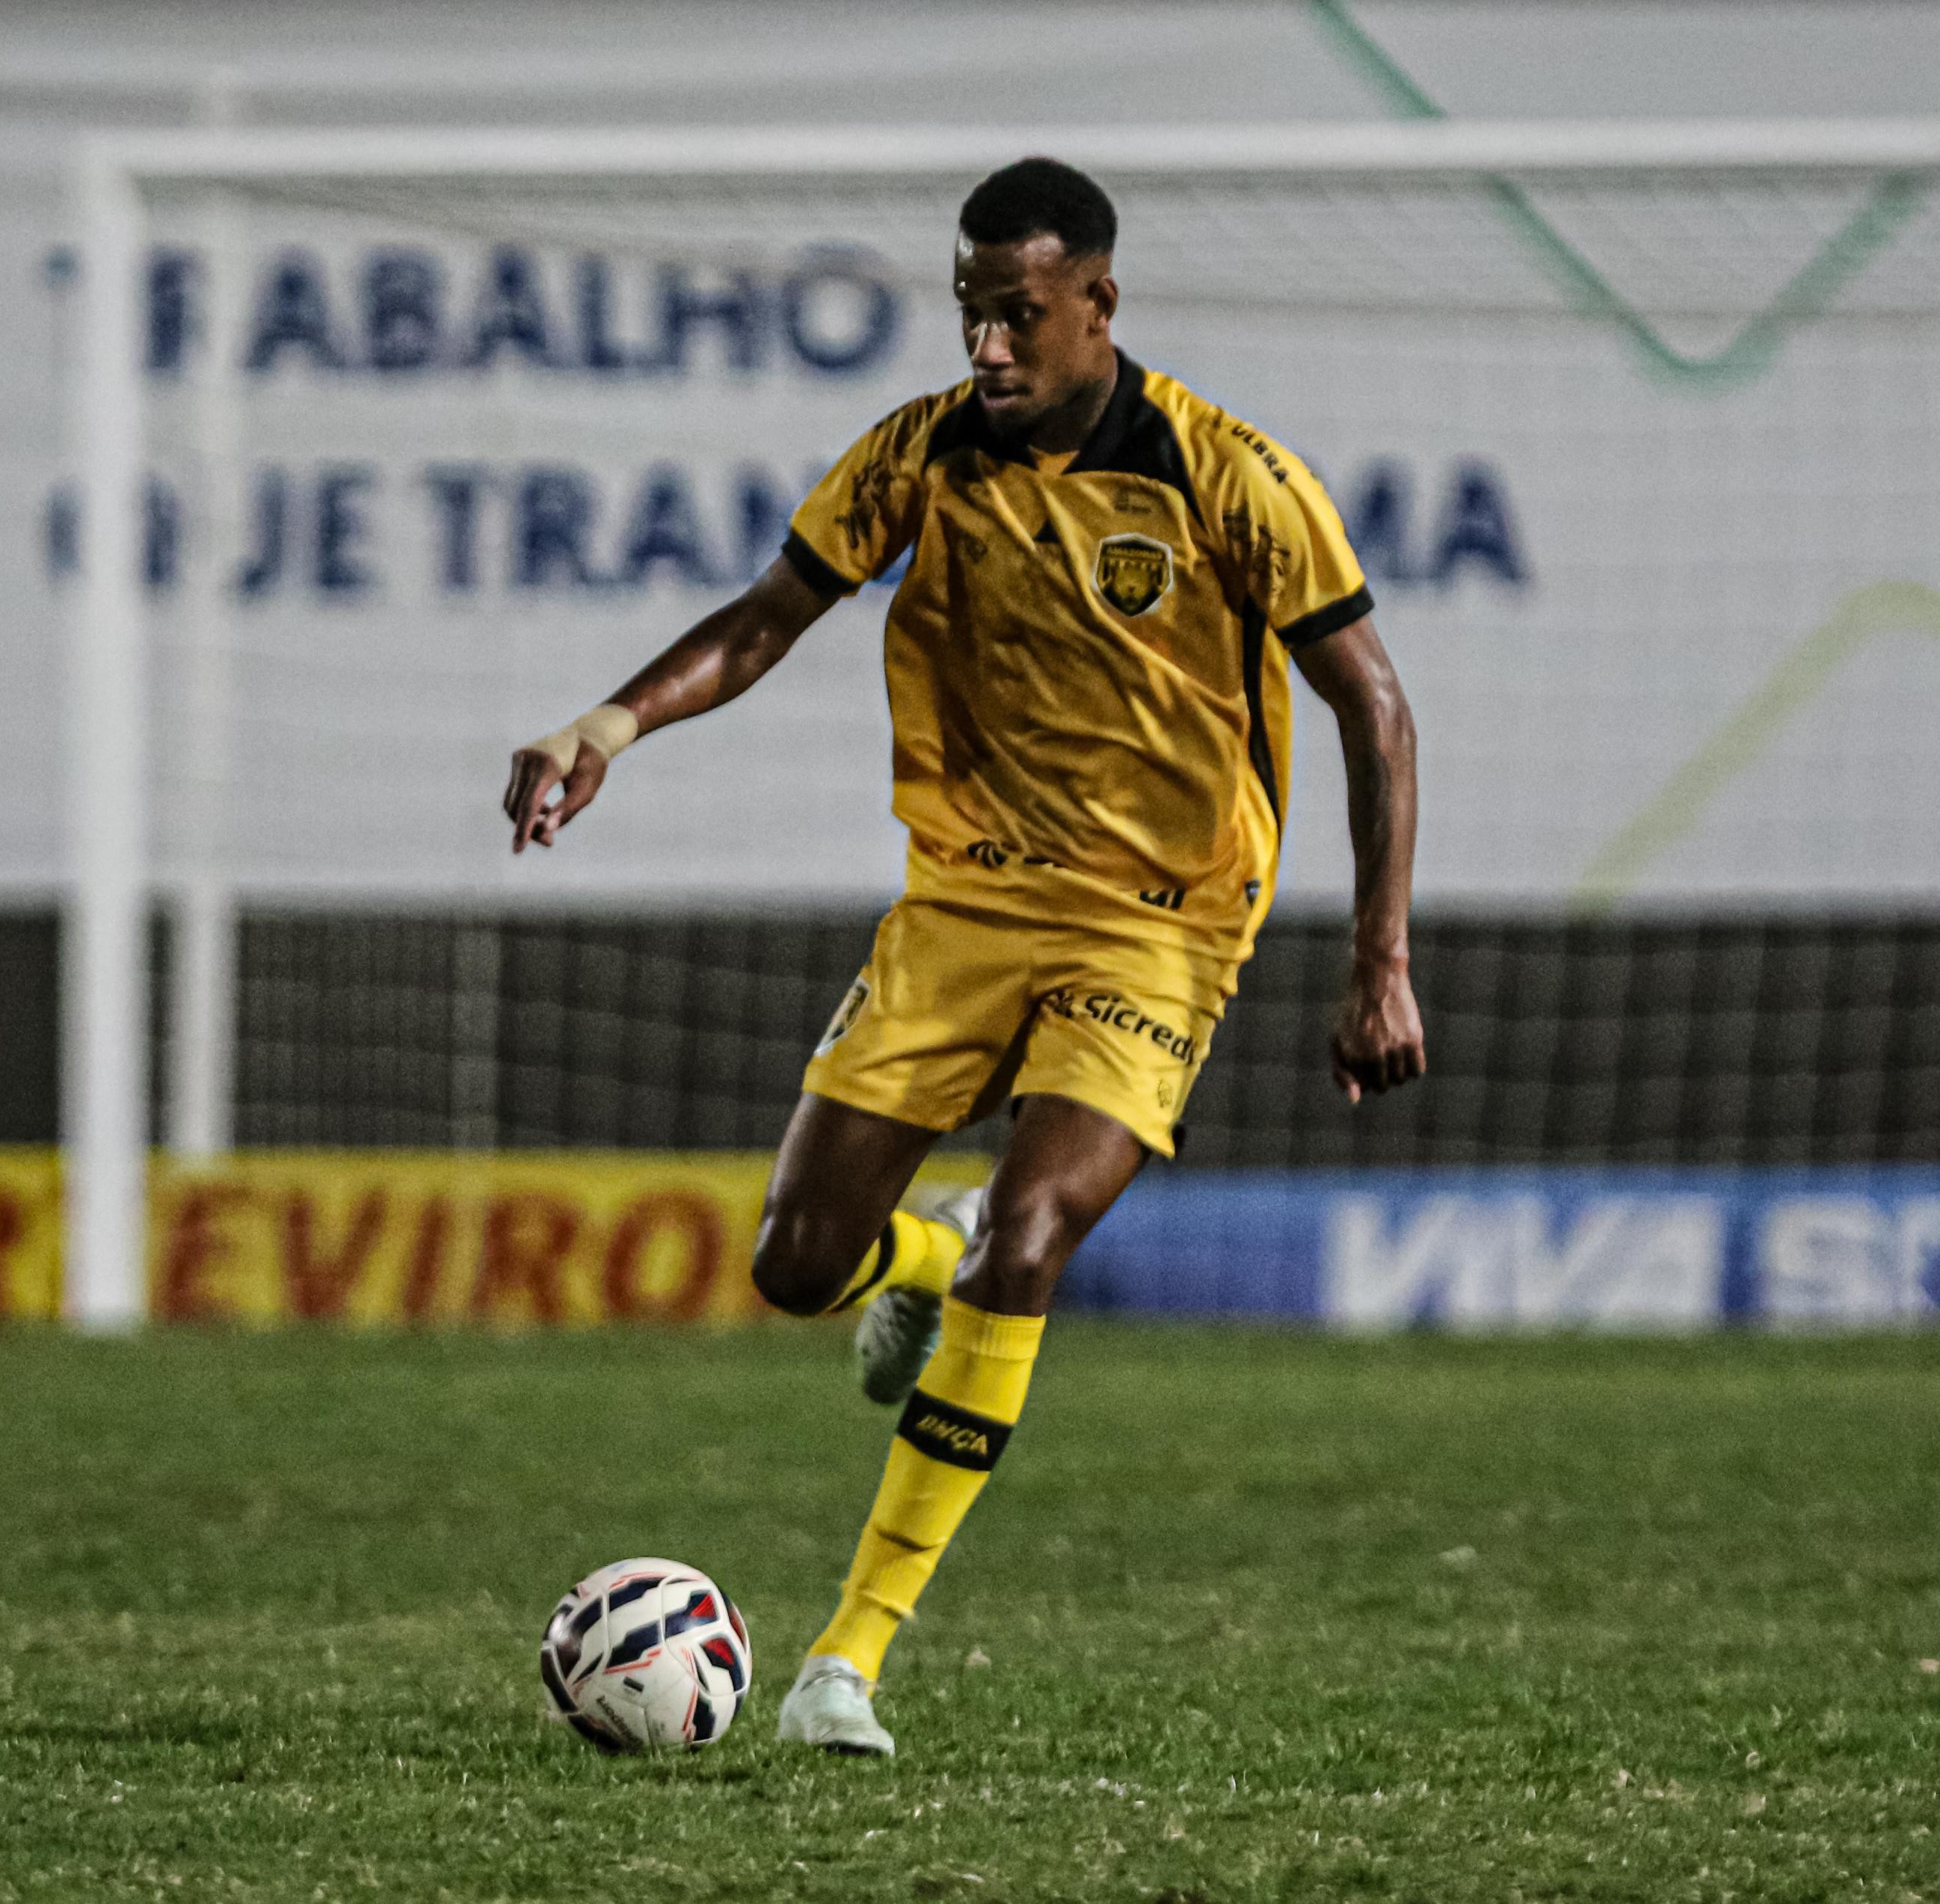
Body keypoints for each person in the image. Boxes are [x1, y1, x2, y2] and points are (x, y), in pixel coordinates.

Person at [502, 156, 1424, 1757]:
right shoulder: (919, 458)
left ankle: (844, 1659)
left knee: (1043, 1225)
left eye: (1017, 317)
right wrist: (614, 717)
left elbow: (1376, 706)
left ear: (1097, 307)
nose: (988, 349)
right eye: (968, 314)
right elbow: (771, 612)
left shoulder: (1225, 476)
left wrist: (1380, 958)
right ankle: (923, 1257)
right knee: (796, 1261)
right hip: (963, 908)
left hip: (1159, 919)